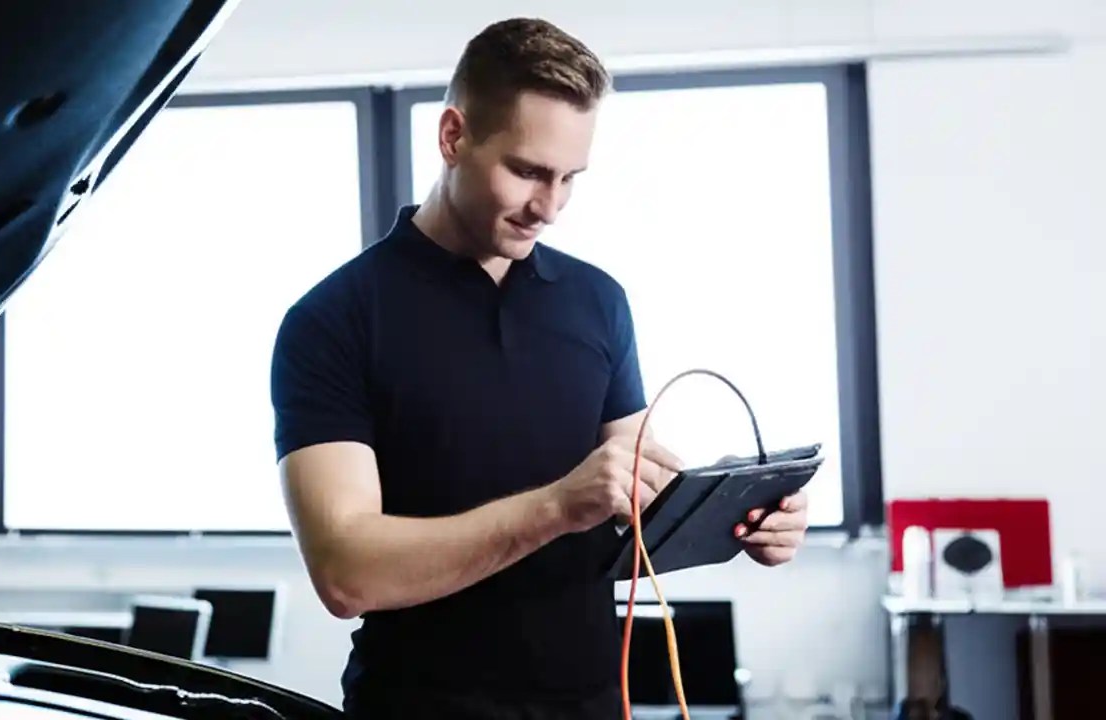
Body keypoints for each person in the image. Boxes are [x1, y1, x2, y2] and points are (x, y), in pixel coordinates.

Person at [270, 17, 810, 719]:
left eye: (569, 178)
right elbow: (346, 574)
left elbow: (631, 511)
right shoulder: (333, 319)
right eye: (526, 172)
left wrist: (741, 520)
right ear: (453, 137)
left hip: (590, 705)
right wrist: (556, 507)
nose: (548, 207)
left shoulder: (598, 302)